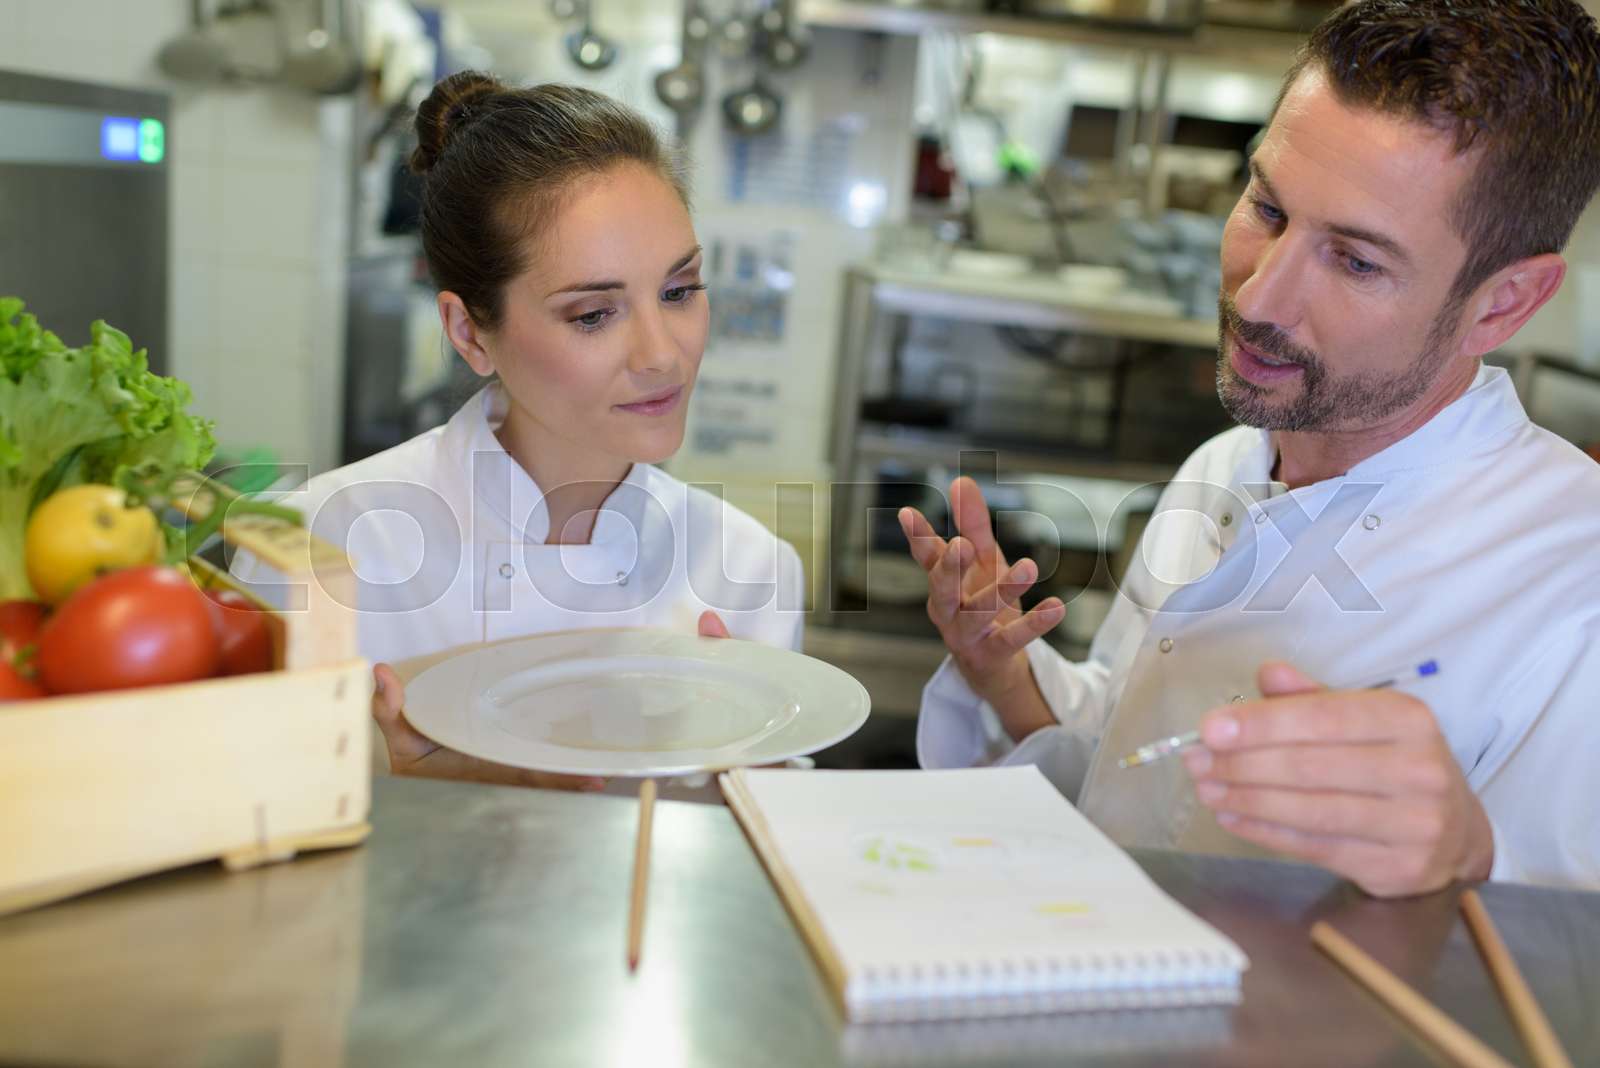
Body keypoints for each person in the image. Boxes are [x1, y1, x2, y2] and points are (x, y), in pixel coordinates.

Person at [899, 0, 1600, 894]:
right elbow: (1131, 773)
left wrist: (1476, 858)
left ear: (1502, 306)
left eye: (1355, 262)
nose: (1259, 297)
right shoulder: (1229, 464)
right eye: (1267, 207)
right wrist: (1001, 673)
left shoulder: (1577, 586)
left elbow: (1574, 981)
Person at [250, 73, 803, 788]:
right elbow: (241, 839)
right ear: (469, 332)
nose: (663, 354)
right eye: (592, 314)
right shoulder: (326, 548)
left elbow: (754, 875)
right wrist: (430, 795)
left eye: (678, 292)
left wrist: (742, 791)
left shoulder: (749, 572)